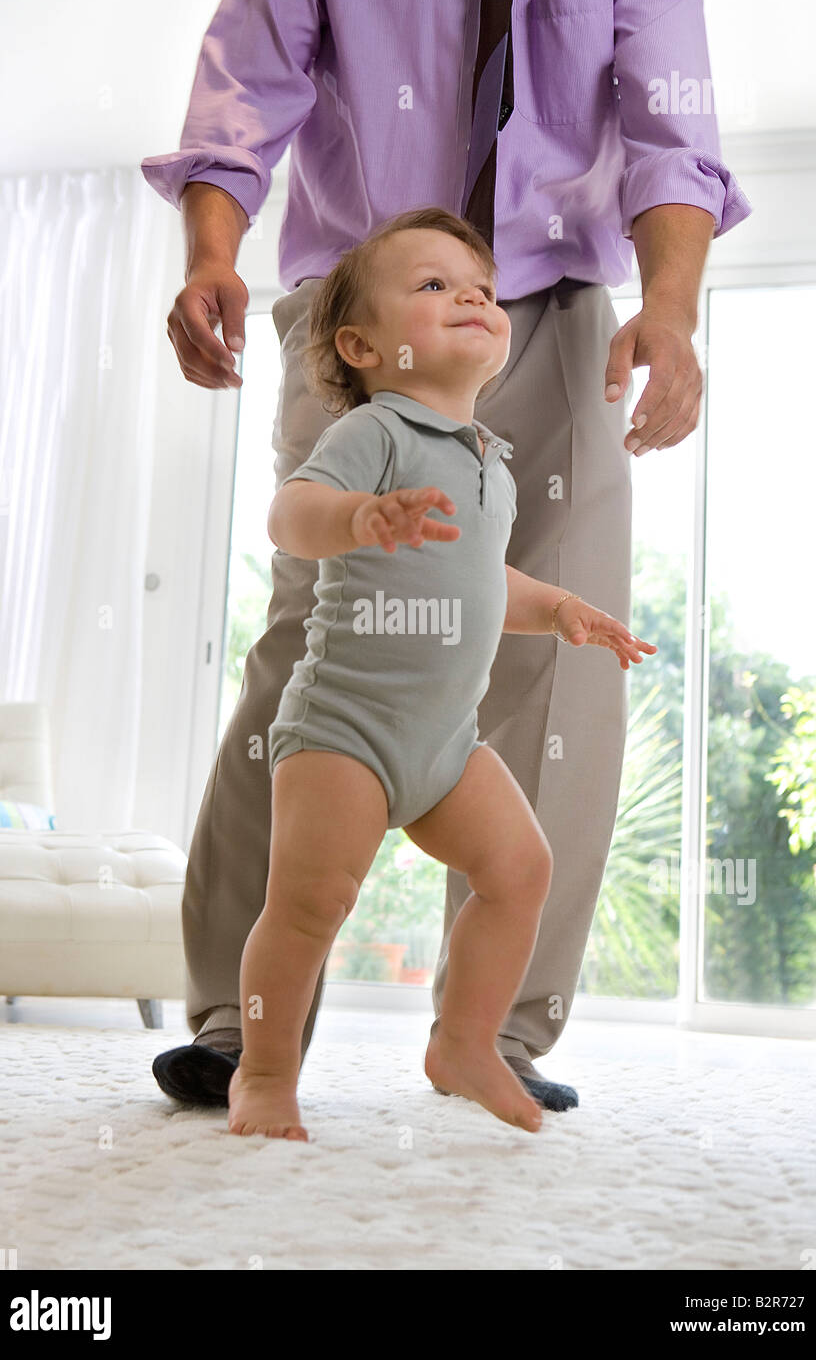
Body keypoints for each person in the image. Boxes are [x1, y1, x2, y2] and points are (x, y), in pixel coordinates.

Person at [142, 0, 751, 1112]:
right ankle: (245, 1023)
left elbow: (676, 129)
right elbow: (243, 88)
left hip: (558, 296)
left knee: (554, 663)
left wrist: (667, 306)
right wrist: (210, 251)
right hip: (363, 299)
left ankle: (496, 1030)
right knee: (308, 627)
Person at [228, 207, 657, 1139]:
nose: (469, 295)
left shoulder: (490, 468)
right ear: (362, 345)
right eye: (432, 286)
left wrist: (558, 610)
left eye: (482, 289)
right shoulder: (376, 430)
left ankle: (464, 1042)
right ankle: (262, 1074)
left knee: (520, 867)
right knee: (310, 905)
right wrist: (357, 521)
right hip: (343, 731)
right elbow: (289, 513)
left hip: (443, 747)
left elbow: (481, 578)